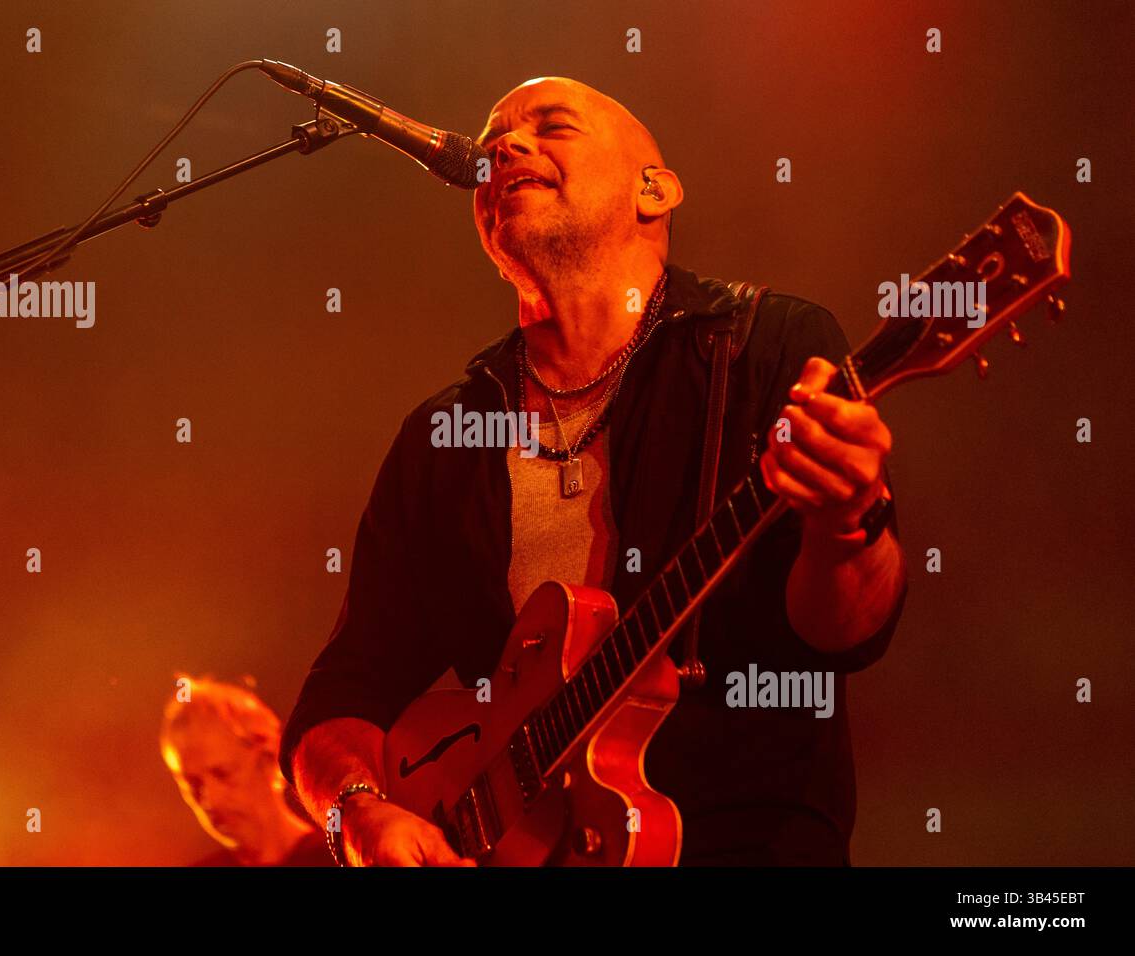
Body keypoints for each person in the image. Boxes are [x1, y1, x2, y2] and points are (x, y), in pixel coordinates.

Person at [280, 77, 908, 866]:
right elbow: (341, 697)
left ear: (656, 190)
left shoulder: (767, 346)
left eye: (552, 128)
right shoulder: (442, 438)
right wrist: (357, 814)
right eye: (496, 139)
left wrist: (847, 519)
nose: (505, 147)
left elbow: (845, 636)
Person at [160, 676, 330, 866]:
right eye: (192, 784)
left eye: (223, 774)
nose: (210, 800)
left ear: (269, 760)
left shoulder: (339, 859)